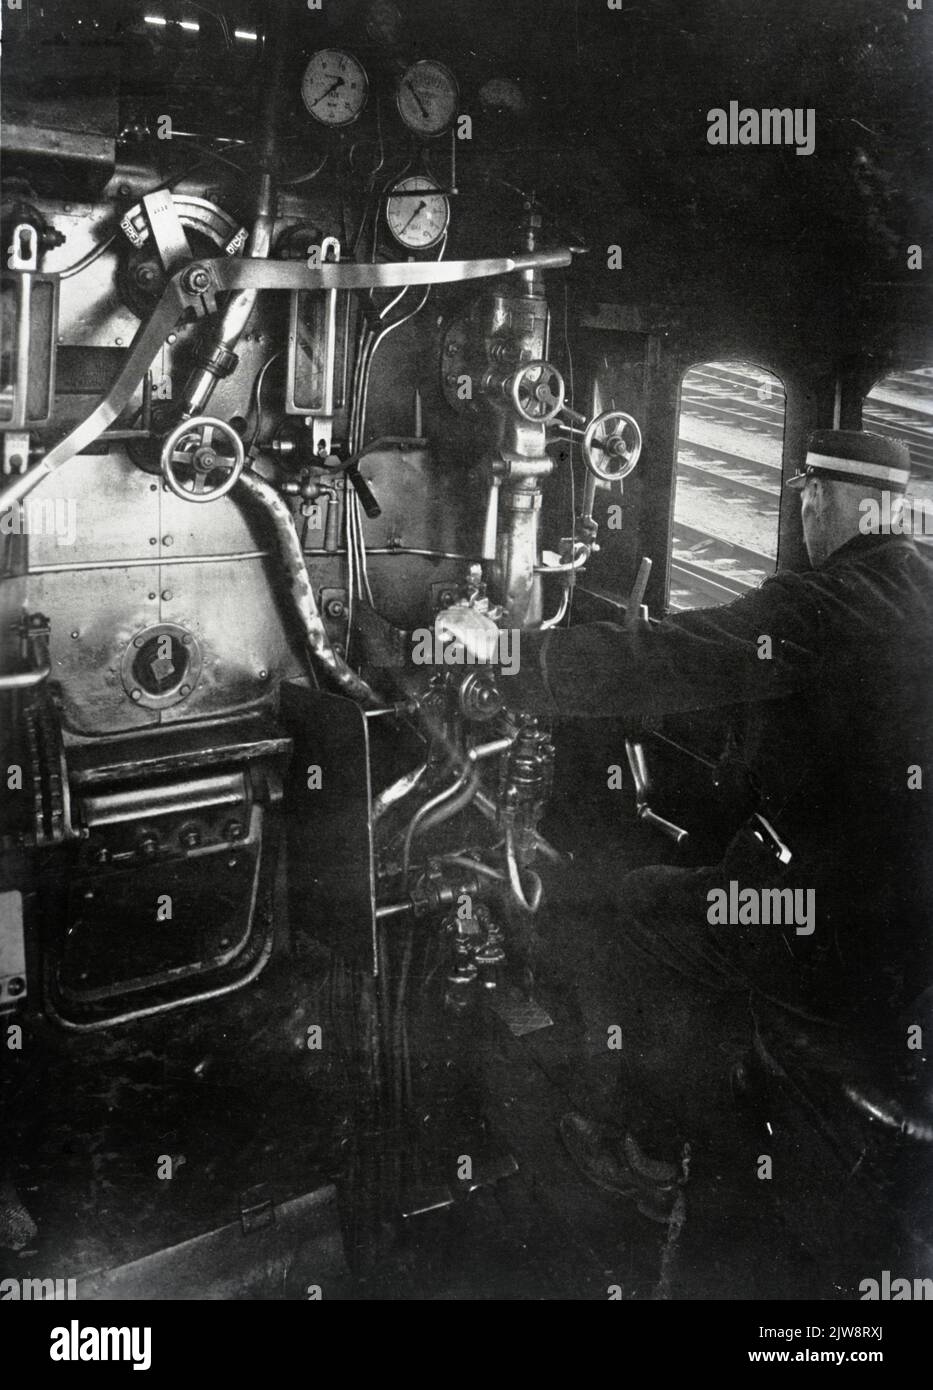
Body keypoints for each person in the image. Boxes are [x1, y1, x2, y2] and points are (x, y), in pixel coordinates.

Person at [442, 429, 933, 1215]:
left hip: (826, 924)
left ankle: (640, 1144)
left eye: (805, 493)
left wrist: (505, 657)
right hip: (905, 921)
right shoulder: (917, 587)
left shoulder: (818, 603)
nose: (803, 509)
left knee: (633, 907)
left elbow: (668, 655)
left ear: (821, 498)